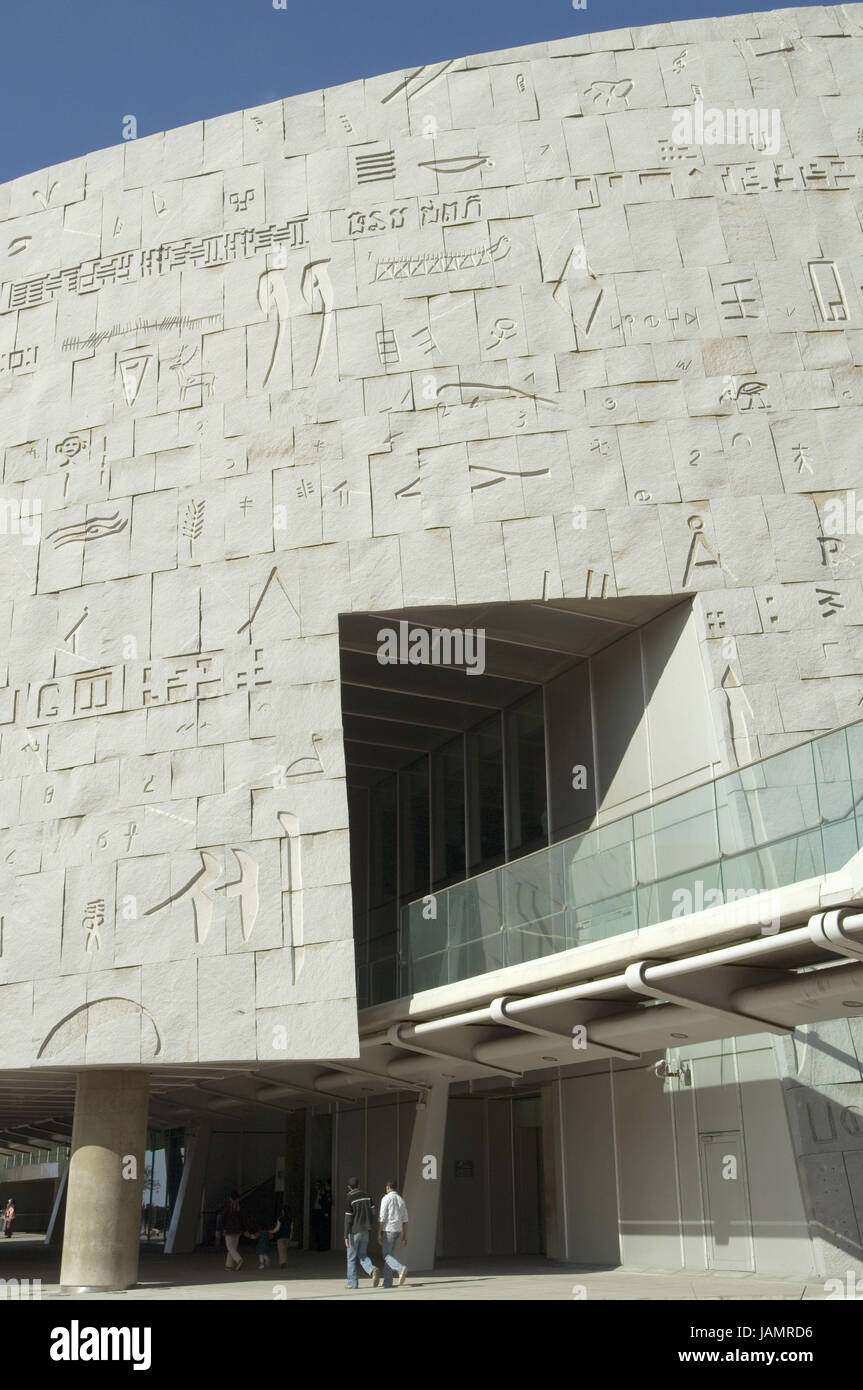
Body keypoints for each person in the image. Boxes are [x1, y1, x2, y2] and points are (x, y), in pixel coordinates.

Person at [344, 1177, 380, 1289]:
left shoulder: (349, 1198)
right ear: (358, 1185)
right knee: (363, 1255)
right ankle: (372, 1269)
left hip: (354, 1231)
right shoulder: (367, 1196)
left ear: (349, 1187)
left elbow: (348, 1219)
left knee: (351, 1257)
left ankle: (352, 1283)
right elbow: (373, 1212)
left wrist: (345, 1235)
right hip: (366, 1230)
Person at [378, 1181, 409, 1288]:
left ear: (387, 1188)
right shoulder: (401, 1200)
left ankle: (400, 1269)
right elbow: (405, 1220)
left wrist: (379, 1233)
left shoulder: (386, 1198)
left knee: (386, 1255)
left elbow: (382, 1217)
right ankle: (387, 1282)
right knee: (390, 1256)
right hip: (398, 1230)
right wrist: (405, 1236)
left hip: (388, 1229)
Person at [222, 1191, 244, 1271]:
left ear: (230, 1198)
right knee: (233, 1248)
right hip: (238, 1231)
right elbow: (242, 1220)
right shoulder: (239, 1207)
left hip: (229, 1230)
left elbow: (223, 1219)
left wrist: (220, 1229)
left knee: (230, 1247)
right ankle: (229, 1265)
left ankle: (239, 1260)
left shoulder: (228, 1207)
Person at [309, 1180, 325, 1250]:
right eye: (316, 1185)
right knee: (314, 1228)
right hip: (314, 1211)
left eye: (318, 1185)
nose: (317, 1186)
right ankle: (315, 1244)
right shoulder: (313, 1193)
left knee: (320, 1229)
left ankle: (320, 1245)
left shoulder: (322, 1192)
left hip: (320, 1211)